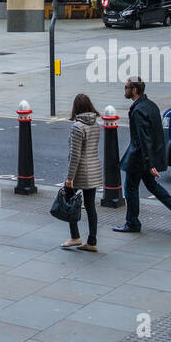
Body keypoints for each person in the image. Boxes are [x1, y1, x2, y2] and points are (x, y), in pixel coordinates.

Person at [114, 76, 171, 235]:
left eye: (126, 87)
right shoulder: (151, 106)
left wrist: (149, 164)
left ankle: (132, 223)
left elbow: (144, 138)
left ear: (134, 90)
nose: (125, 90)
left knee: (130, 189)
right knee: (153, 187)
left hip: (139, 157)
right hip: (146, 156)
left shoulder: (137, 110)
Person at [60, 93, 102, 252]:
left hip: (80, 171)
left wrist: (70, 177)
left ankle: (75, 236)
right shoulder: (95, 124)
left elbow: (75, 154)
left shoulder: (77, 126)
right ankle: (92, 242)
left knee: (70, 201)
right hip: (94, 169)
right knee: (90, 206)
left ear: (76, 108)